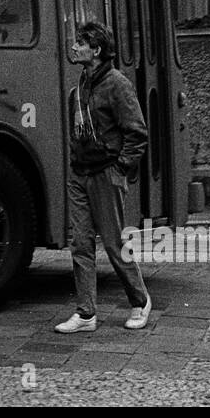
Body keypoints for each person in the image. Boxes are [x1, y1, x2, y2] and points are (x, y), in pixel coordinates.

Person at [55, 20, 152, 333]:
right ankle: (86, 314)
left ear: (95, 50)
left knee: (113, 243)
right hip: (80, 172)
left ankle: (140, 301)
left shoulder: (117, 84)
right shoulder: (81, 85)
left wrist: (120, 167)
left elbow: (137, 132)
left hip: (105, 173)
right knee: (80, 243)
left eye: (80, 43)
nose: (73, 47)